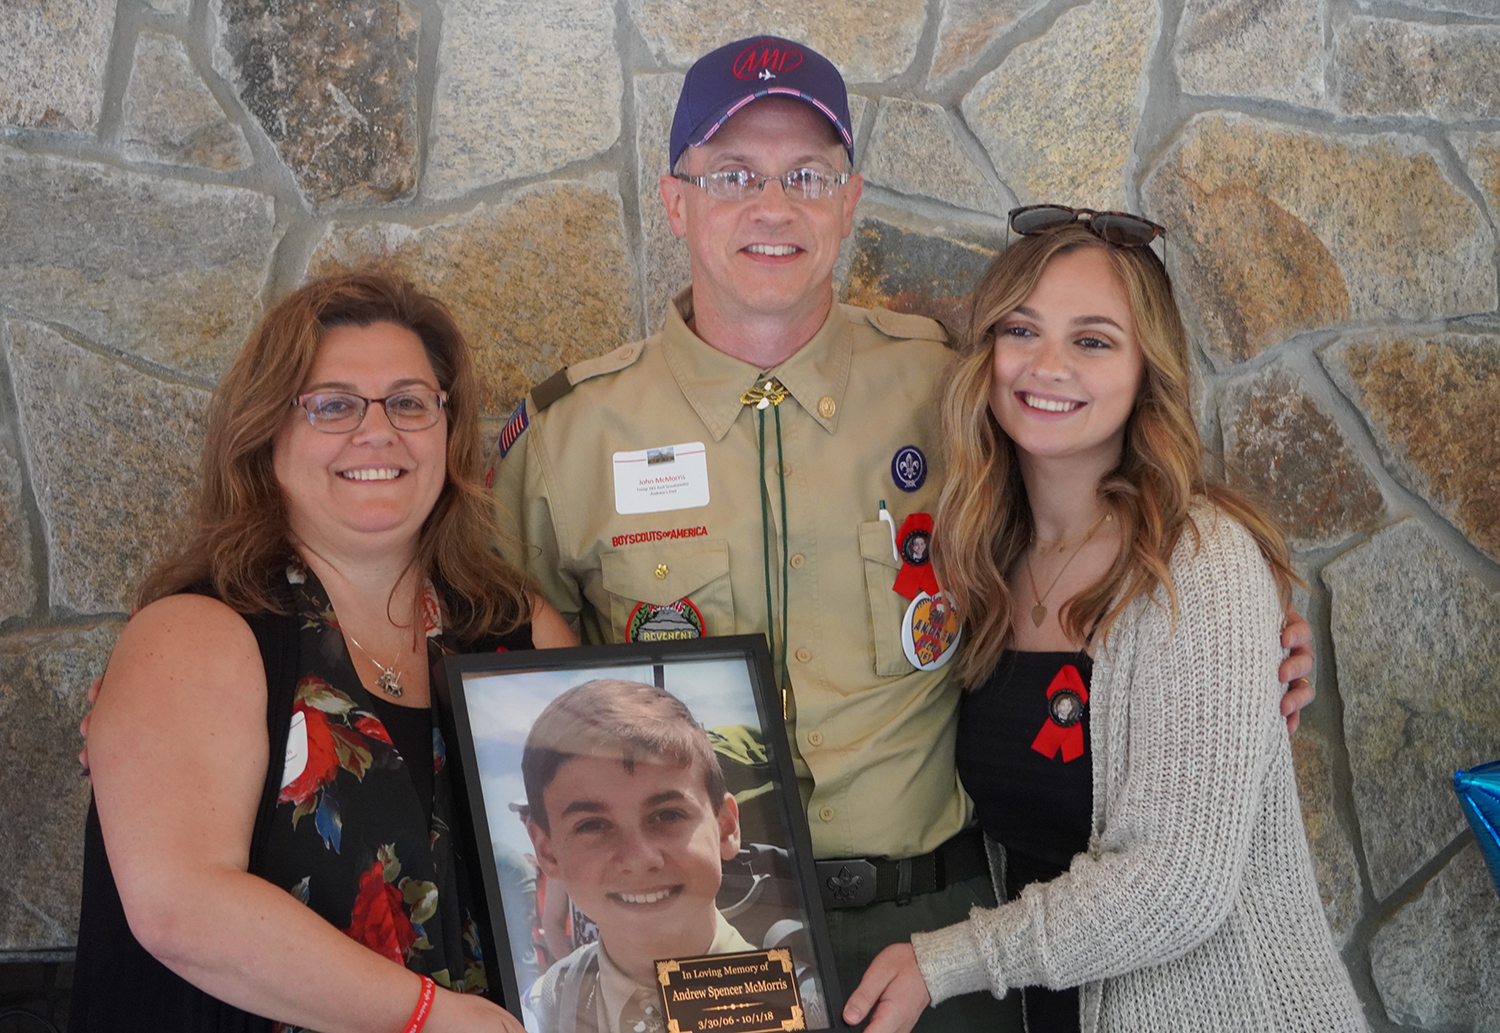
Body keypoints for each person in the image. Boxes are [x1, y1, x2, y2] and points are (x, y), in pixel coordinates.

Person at [491, 36, 1316, 1033]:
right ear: (676, 201)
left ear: (849, 201)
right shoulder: (569, 436)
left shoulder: (952, 389)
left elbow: (1117, 519)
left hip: (933, 933)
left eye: (807, 175)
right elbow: (510, 682)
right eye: (734, 175)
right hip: (705, 939)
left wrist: (1246, 628)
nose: (773, 206)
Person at [842, 211, 1367, 1033]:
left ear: (1146, 369)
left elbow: (1177, 883)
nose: (1048, 365)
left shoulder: (1200, 564)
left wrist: (946, 960)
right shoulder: (986, 560)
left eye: (1093, 340)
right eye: (1022, 329)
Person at [71, 271, 575, 1033]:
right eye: (333, 405)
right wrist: (431, 1018)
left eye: (409, 402)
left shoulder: (517, 627)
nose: (378, 431)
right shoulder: (195, 633)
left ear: (446, 428)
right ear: (267, 432)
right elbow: (182, 909)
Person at [521, 679, 765, 1033]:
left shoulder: (809, 1000)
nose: (638, 858)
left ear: (725, 827)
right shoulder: (537, 1015)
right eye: (592, 825)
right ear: (547, 851)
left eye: (668, 815)